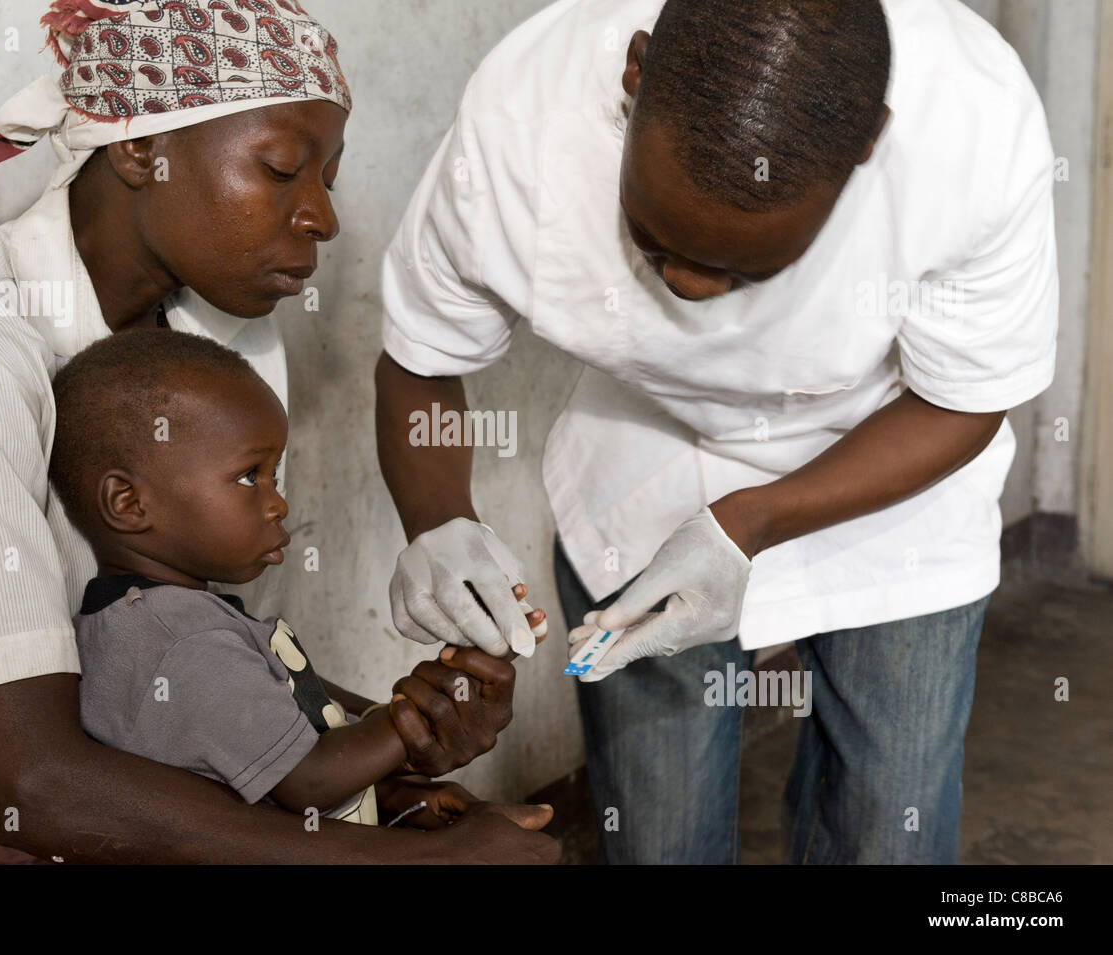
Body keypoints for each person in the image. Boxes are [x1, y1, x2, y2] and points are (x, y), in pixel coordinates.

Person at [0, 0, 558, 864]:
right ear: (141, 147)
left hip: (152, 785)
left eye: (329, 177)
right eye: (283, 168)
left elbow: (197, 668)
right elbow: (34, 783)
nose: (323, 217)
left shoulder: (218, 347)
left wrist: (392, 740)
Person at [376, 0, 1058, 863]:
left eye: (744, 269)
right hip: (646, 460)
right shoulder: (521, 121)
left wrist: (748, 521)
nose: (691, 288)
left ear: (867, 146)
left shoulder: (975, 125)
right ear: (634, 74)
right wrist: (438, 521)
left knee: (891, 828)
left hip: (895, 474)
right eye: (654, 241)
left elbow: (964, 399)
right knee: (661, 838)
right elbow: (421, 357)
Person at [51, 328, 551, 831]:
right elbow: (307, 781)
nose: (279, 504)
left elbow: (290, 746)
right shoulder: (178, 641)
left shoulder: (175, 618)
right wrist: (419, 714)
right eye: (251, 476)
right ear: (128, 503)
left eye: (275, 474)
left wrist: (402, 797)